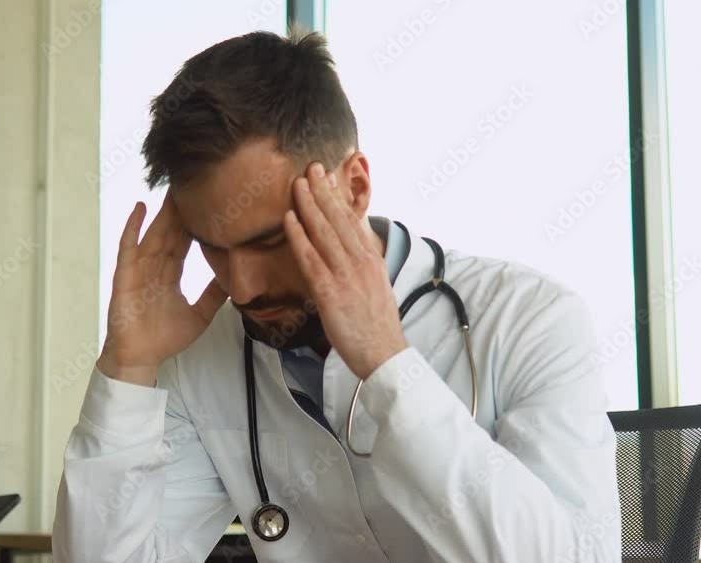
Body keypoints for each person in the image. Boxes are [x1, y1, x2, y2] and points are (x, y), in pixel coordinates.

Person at [53, 30, 621, 563]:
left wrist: (387, 365)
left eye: (272, 241)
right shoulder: (204, 355)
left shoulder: (530, 318)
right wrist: (128, 367)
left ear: (353, 188)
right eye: (213, 248)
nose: (243, 287)